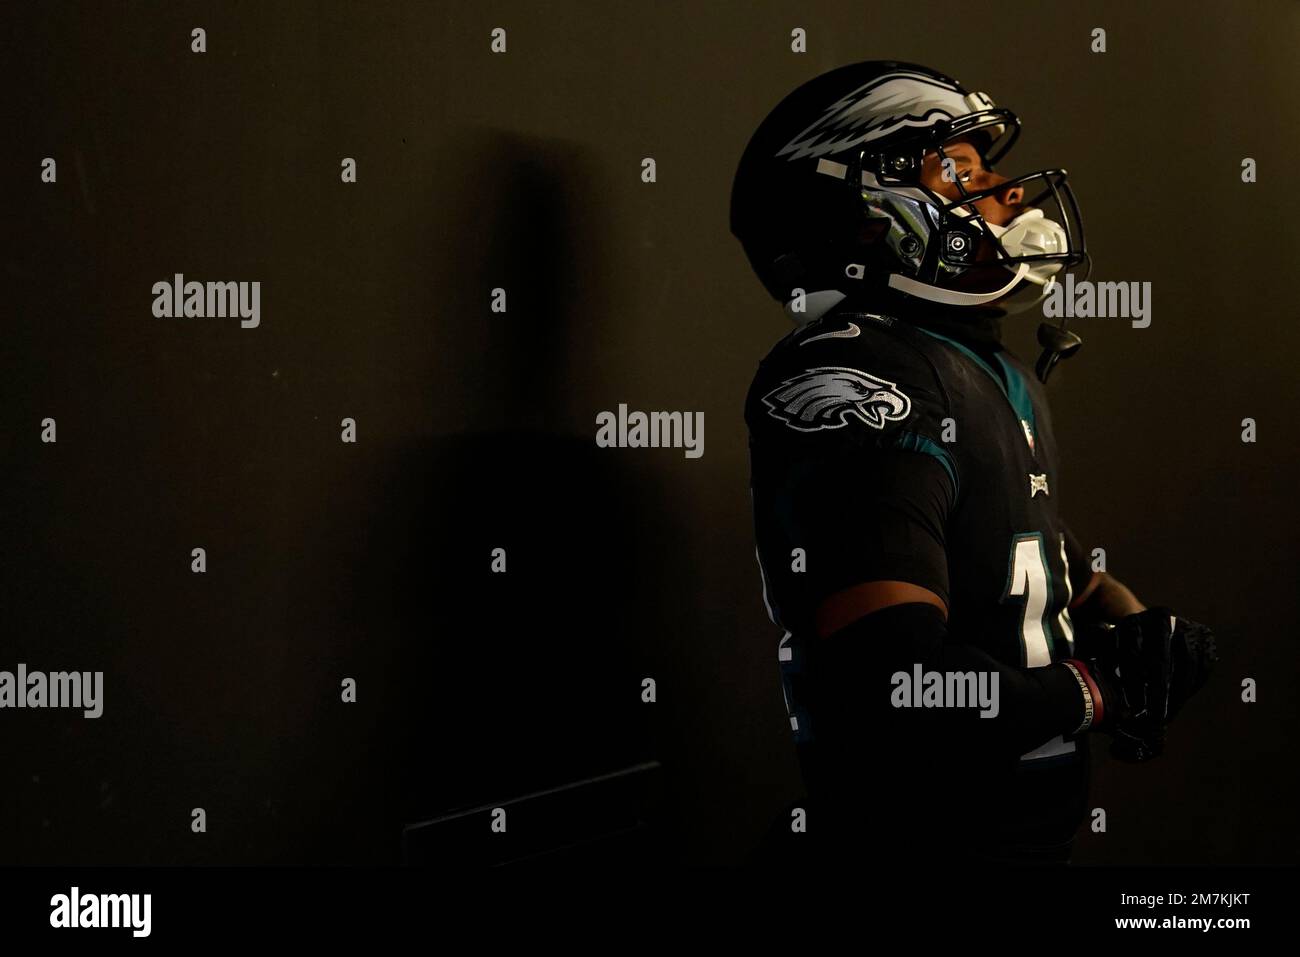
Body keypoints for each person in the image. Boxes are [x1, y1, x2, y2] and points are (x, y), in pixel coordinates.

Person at [732, 61, 1218, 864]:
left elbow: (1040, 570)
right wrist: (1095, 688)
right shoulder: (862, 373)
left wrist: (1137, 632)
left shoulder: (985, 368)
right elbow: (898, 684)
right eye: (958, 168)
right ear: (867, 210)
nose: (1007, 189)